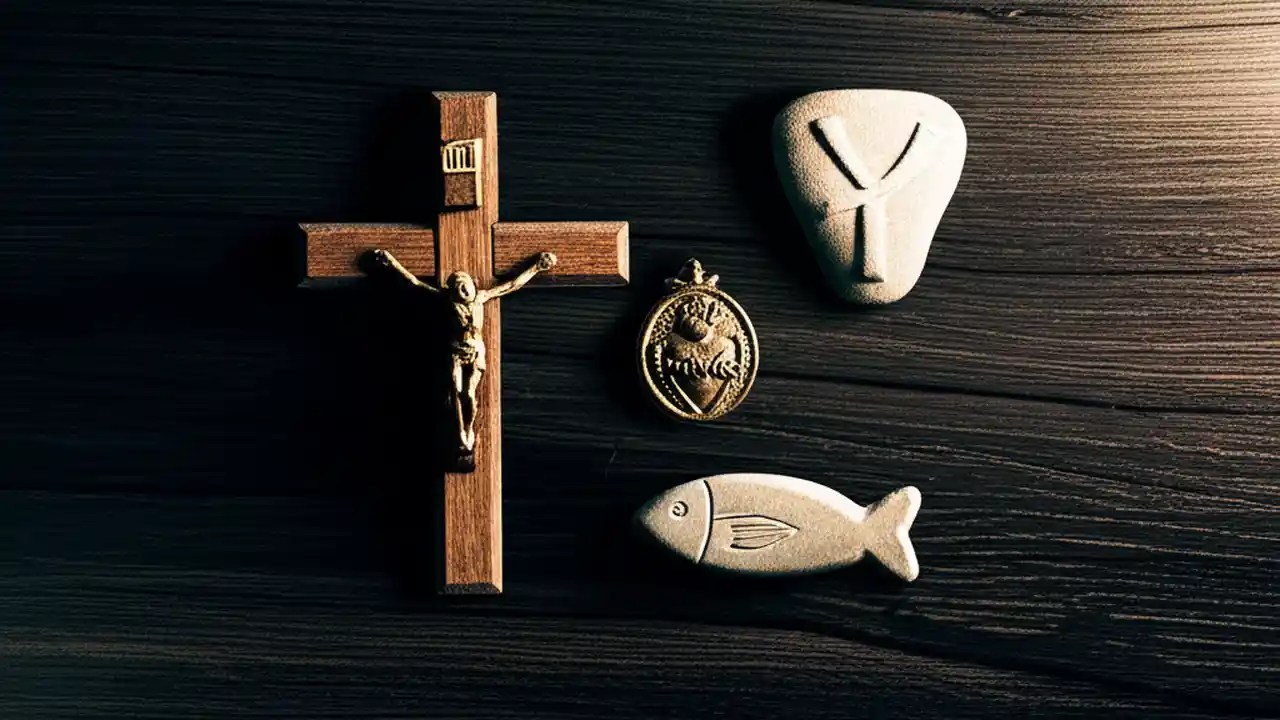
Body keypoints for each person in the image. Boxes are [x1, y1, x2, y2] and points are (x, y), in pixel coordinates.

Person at [369, 248, 557, 470]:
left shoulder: (482, 298)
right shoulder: (447, 300)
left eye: (464, 280)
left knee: (469, 394)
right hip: (456, 352)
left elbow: (512, 284)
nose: (462, 285)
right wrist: (392, 263)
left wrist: (537, 267)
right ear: (452, 289)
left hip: (476, 351)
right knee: (455, 394)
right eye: (457, 282)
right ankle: (461, 436)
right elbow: (415, 283)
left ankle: (468, 430)